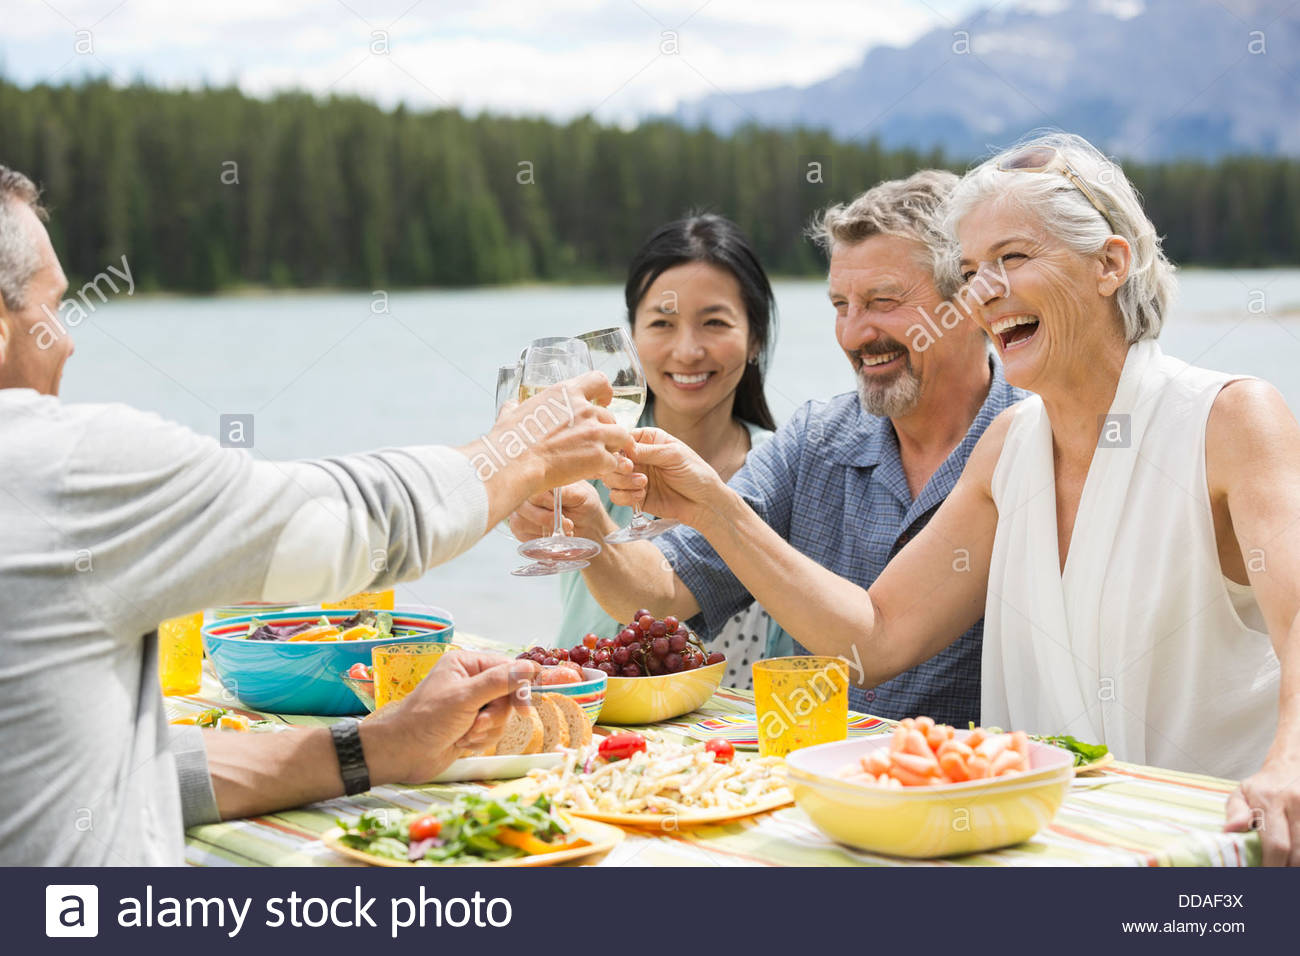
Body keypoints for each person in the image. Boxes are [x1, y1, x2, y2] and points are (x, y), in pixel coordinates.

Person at [606, 133, 1300, 866]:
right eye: (970, 271)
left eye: (1013, 258)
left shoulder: (1231, 420)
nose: (983, 292)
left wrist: (1289, 764)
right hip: (1038, 853)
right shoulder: (1009, 446)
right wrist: (713, 506)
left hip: (1212, 852)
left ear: (1110, 263)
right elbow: (873, 639)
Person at [0, 165, 630, 865]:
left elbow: (132, 775)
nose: (71, 337)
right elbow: (340, 528)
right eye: (50, 308)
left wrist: (377, 747)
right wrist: (523, 450)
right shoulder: (57, 464)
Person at [532, 172, 1024, 724]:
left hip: (982, 788)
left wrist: (717, 510)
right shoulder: (812, 442)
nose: (854, 334)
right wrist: (589, 522)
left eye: (883, 301)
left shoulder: (1037, 440)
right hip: (817, 786)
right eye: (841, 305)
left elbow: (878, 646)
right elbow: (664, 595)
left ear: (969, 301)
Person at [510, 214, 777, 687]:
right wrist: (521, 501)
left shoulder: (783, 465)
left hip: (742, 744)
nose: (688, 350)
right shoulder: (590, 447)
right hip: (601, 726)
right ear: (631, 337)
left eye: (714, 321)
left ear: (754, 336)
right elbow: (511, 507)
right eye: (662, 323)